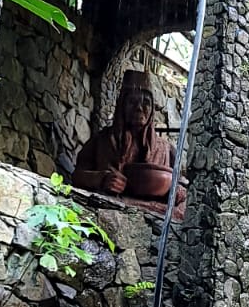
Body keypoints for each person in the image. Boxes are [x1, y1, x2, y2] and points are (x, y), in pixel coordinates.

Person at [71, 68, 185, 209]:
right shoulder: (101, 141)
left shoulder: (167, 150)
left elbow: (183, 186)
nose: (139, 108)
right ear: (122, 106)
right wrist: (101, 178)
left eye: (146, 103)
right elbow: (77, 176)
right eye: (132, 102)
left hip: (154, 213)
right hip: (112, 206)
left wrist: (175, 191)